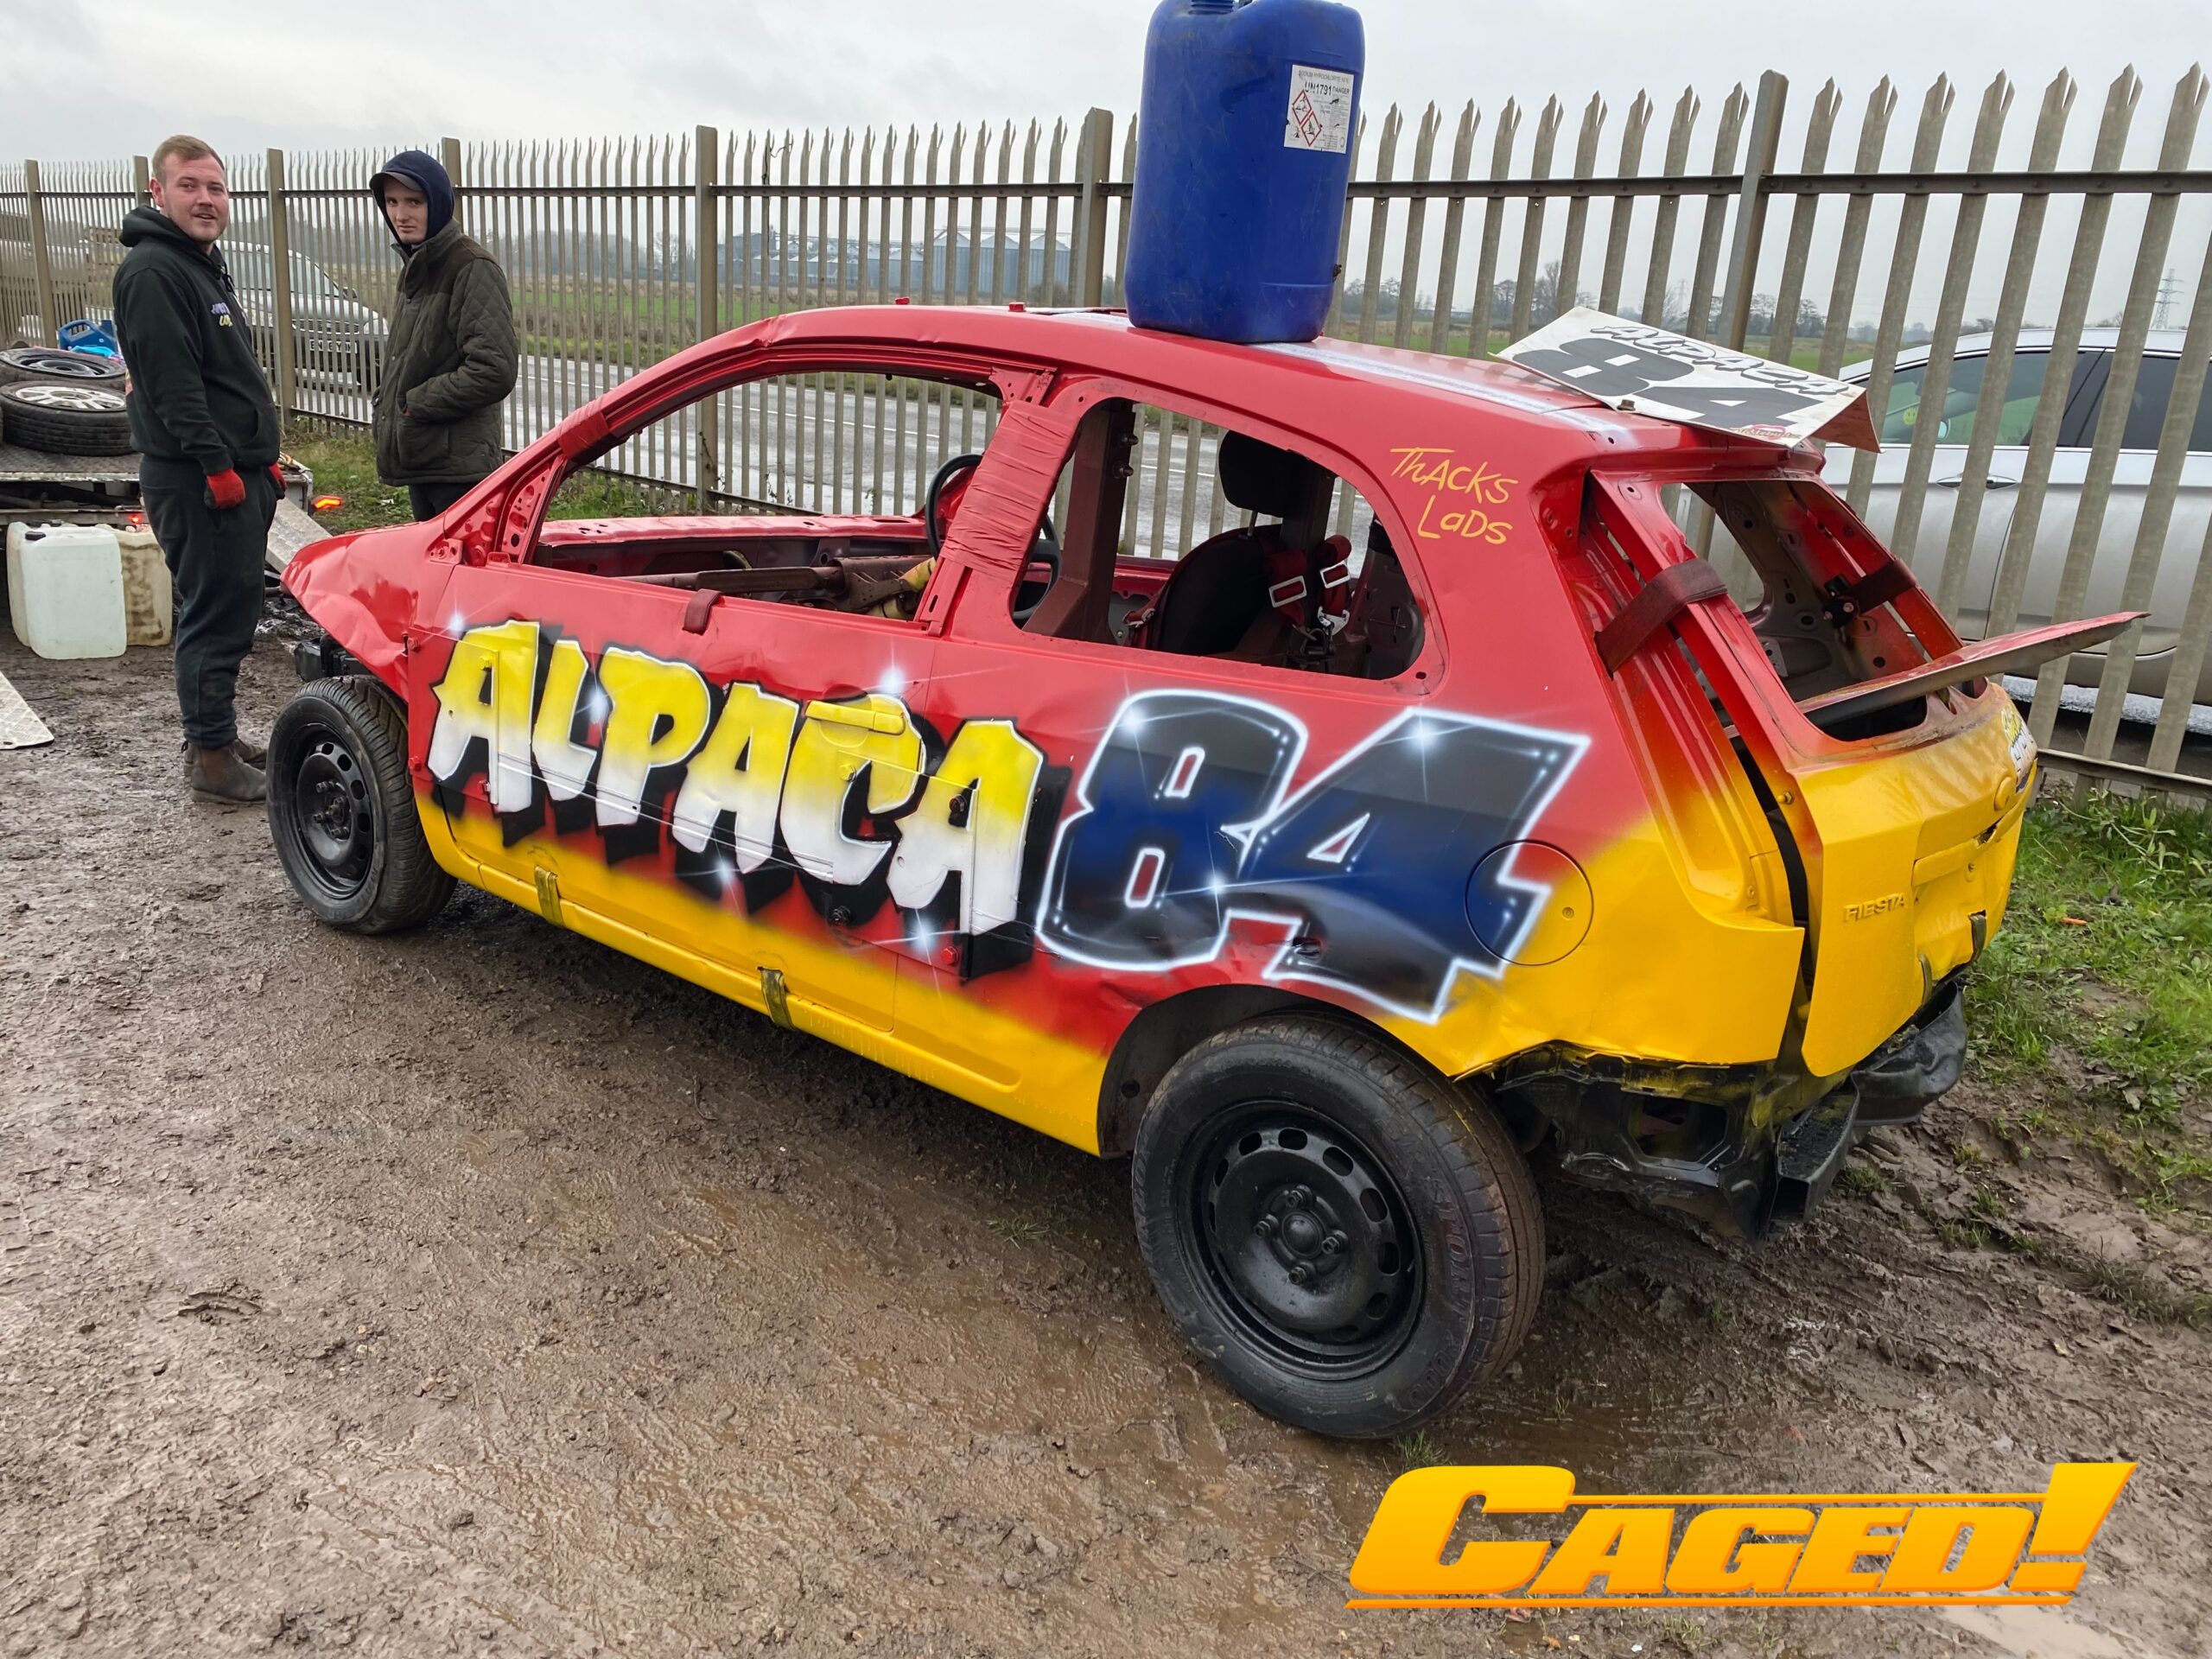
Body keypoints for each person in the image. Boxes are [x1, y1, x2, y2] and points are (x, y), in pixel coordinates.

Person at [112, 134, 283, 804]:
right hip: (201, 481)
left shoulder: (199, 265)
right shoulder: (156, 272)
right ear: (158, 192)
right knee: (219, 615)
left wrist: (258, 460)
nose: (205, 200)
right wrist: (219, 468)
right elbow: (172, 384)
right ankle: (213, 760)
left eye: (215, 188)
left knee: (215, 608)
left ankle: (213, 736)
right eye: (189, 186)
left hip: (231, 474)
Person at [368, 151, 518, 521]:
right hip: (426, 456)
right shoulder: (418, 265)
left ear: (437, 203)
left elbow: (493, 369)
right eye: (392, 202)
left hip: (458, 470)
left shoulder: (471, 268)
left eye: (414, 202)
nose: (401, 215)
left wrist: (413, 404)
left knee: (460, 575)